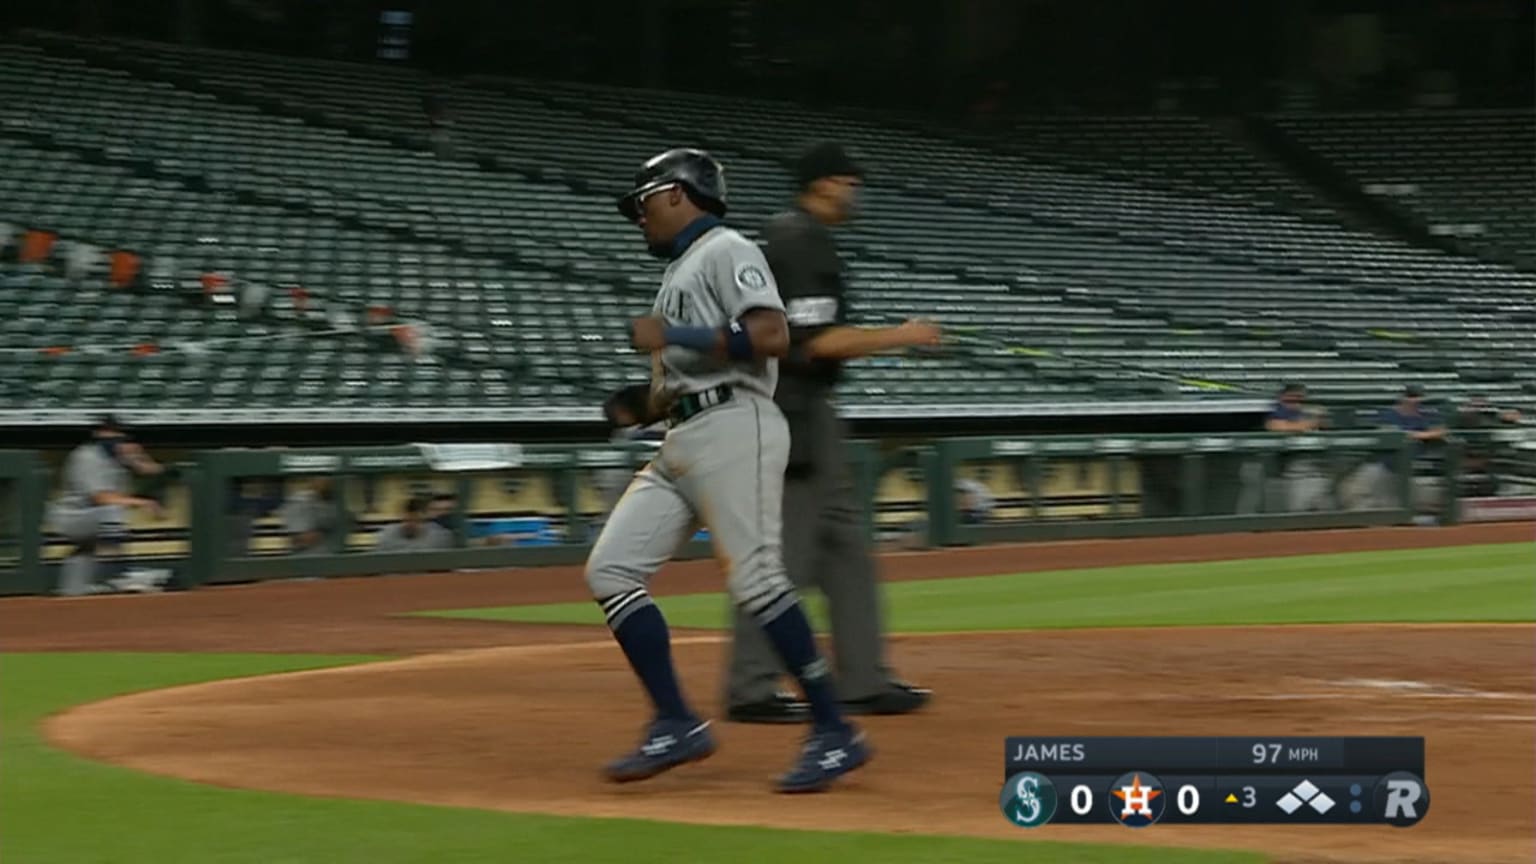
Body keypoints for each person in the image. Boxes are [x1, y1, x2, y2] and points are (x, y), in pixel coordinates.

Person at [587, 147, 869, 793]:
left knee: (757, 577)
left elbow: (770, 336)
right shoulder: (680, 270)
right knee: (611, 570)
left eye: (644, 202)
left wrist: (674, 335)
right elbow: (683, 376)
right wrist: (636, 403)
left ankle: (835, 731)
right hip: (684, 433)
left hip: (735, 424)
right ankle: (675, 721)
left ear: (677, 195)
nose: (638, 216)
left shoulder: (727, 248)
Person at [724, 142, 939, 724]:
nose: (855, 192)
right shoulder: (799, 241)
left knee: (844, 548)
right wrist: (903, 336)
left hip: (807, 408)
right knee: (783, 554)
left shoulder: (796, 237)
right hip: (787, 410)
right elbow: (815, 342)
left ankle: (864, 680)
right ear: (822, 184)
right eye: (849, 182)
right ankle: (750, 686)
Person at [46, 415, 166, 596]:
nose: (114, 437)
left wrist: (139, 456)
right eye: (108, 432)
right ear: (98, 434)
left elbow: (152, 470)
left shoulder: (118, 455)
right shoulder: (87, 457)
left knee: (86, 551)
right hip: (71, 517)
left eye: (117, 433)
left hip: (91, 517)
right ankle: (119, 572)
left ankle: (72, 590)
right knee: (110, 511)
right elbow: (101, 498)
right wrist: (143, 502)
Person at [1263, 382, 1334, 512]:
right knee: (1299, 510)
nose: (1296, 403)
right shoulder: (1278, 411)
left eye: (1300, 398)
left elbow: (1327, 424)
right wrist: (1310, 423)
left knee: (1325, 510)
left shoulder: (1308, 410)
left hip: (1319, 467)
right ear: (1282, 397)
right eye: (1292, 398)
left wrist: (1317, 420)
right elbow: (1275, 426)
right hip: (1293, 470)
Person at [373, 496, 452, 553]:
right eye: (407, 520)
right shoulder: (387, 535)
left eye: (416, 521)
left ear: (424, 520)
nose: (410, 524)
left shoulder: (440, 537)